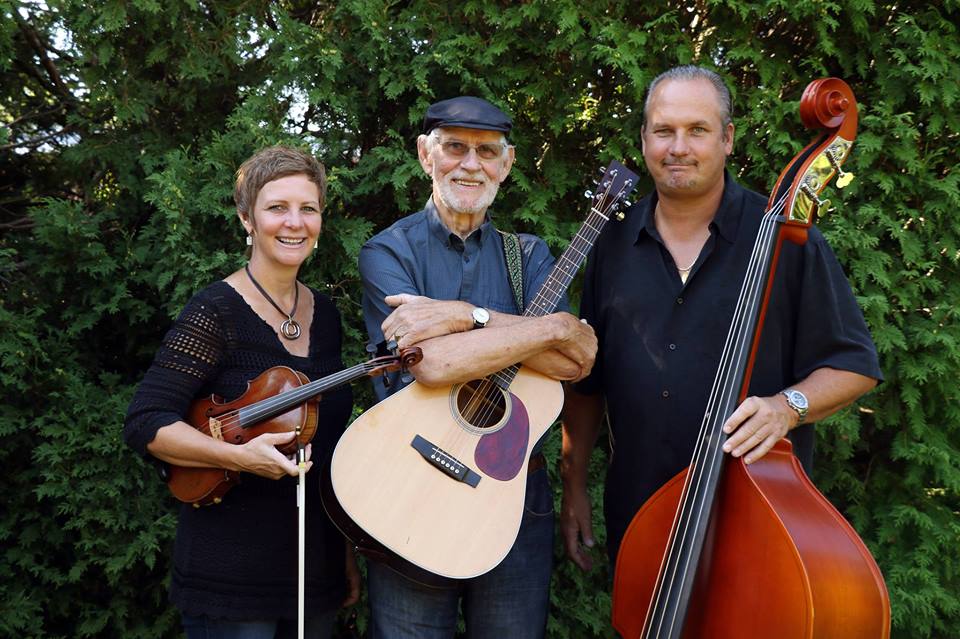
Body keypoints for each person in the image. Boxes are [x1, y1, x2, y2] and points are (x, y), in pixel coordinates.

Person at [560, 66, 883, 573]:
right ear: (644, 140)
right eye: (663, 131)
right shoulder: (612, 243)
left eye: (698, 130)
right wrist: (574, 485)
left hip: (757, 518)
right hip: (639, 517)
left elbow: (853, 365)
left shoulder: (786, 239)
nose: (678, 147)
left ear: (727, 139)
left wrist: (787, 407)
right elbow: (587, 383)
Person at [357, 95, 597, 639]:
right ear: (426, 155)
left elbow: (571, 361)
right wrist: (544, 329)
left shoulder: (530, 256)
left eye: (487, 151)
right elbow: (431, 362)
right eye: (455, 148)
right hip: (408, 487)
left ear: (506, 165)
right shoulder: (388, 253)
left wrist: (462, 316)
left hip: (514, 496)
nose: (471, 164)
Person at [123, 146, 359, 638]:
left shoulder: (327, 317)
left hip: (313, 570)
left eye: (308, 208)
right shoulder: (216, 312)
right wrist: (239, 458)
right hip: (230, 576)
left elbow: (326, 449)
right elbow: (147, 421)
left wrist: (343, 556)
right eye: (277, 208)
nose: (294, 222)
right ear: (247, 218)